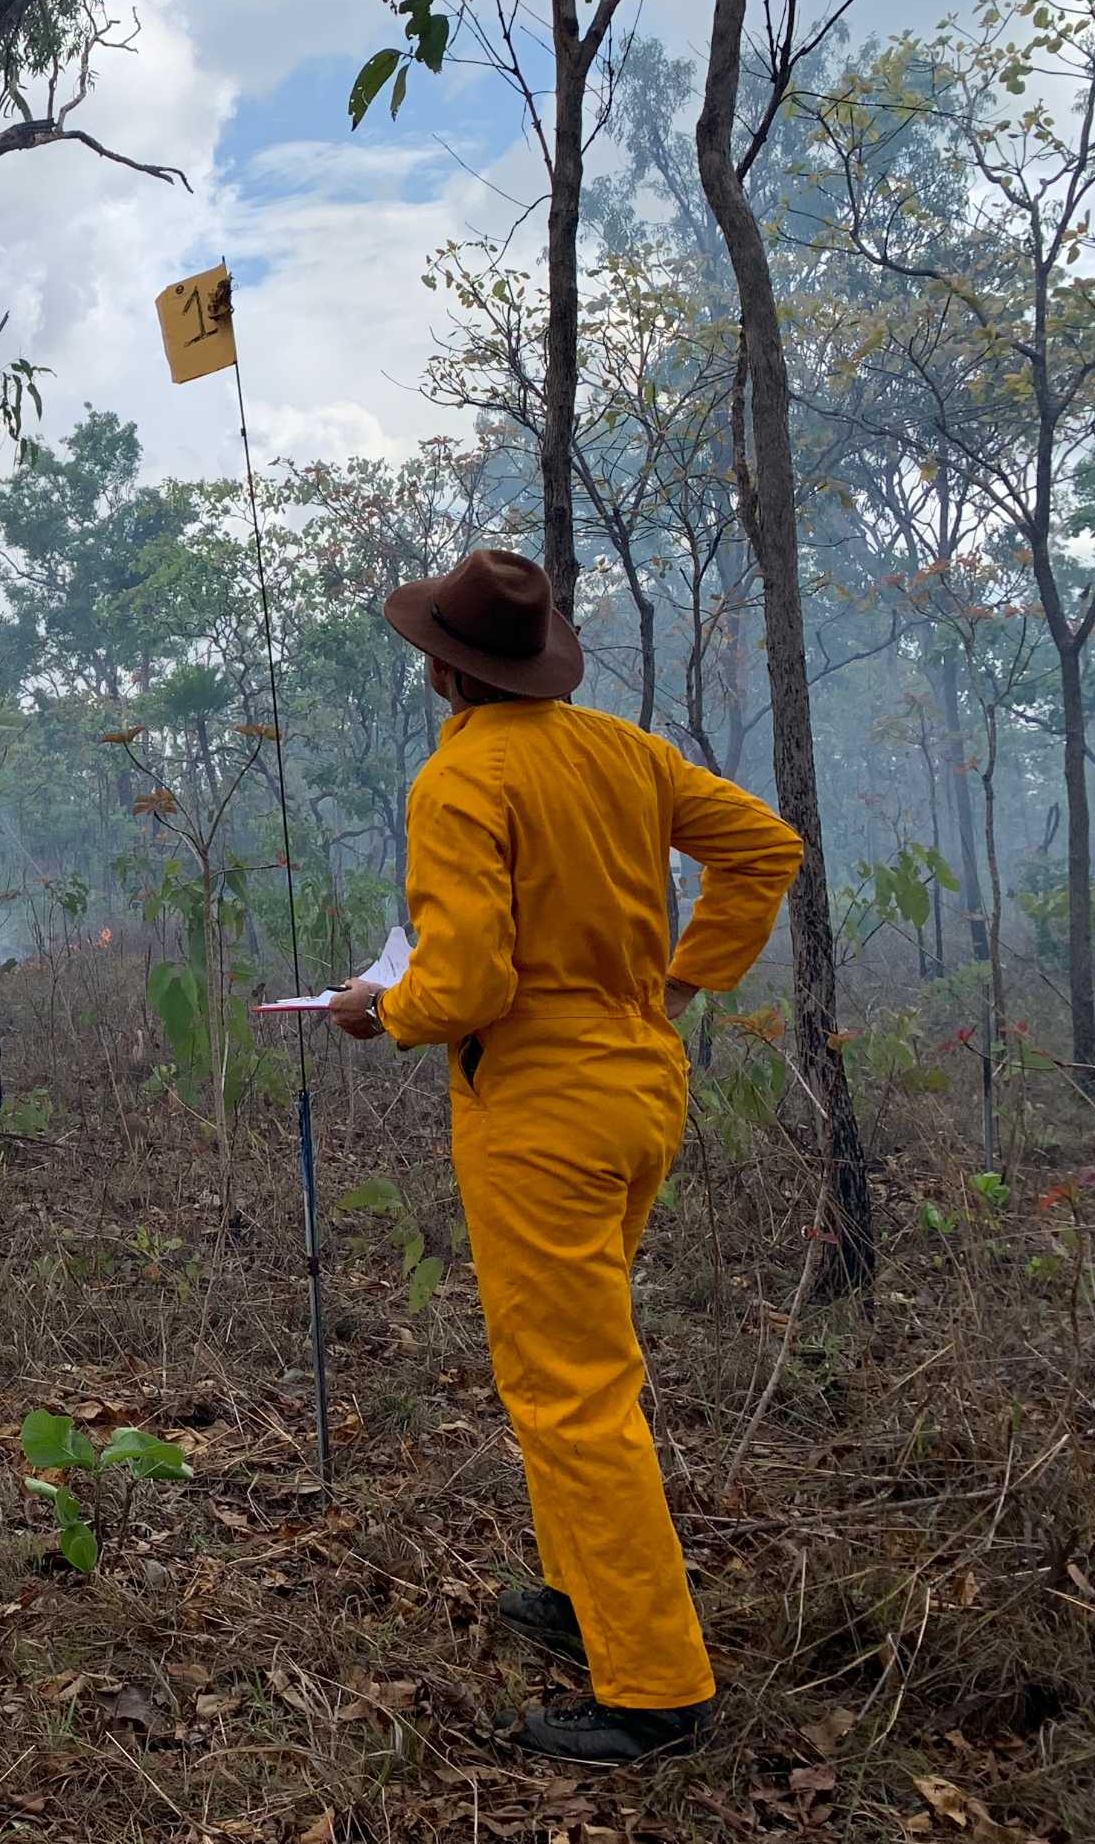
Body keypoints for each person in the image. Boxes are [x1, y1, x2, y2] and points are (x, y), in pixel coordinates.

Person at [323, 548, 802, 1766]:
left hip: (539, 1113)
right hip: (642, 1093)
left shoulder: (462, 780)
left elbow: (471, 980)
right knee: (567, 1364)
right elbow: (766, 848)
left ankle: (656, 1685)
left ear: (441, 667)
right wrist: (688, 979)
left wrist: (379, 1010)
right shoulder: (624, 753)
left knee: (573, 1391)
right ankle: (581, 1593)